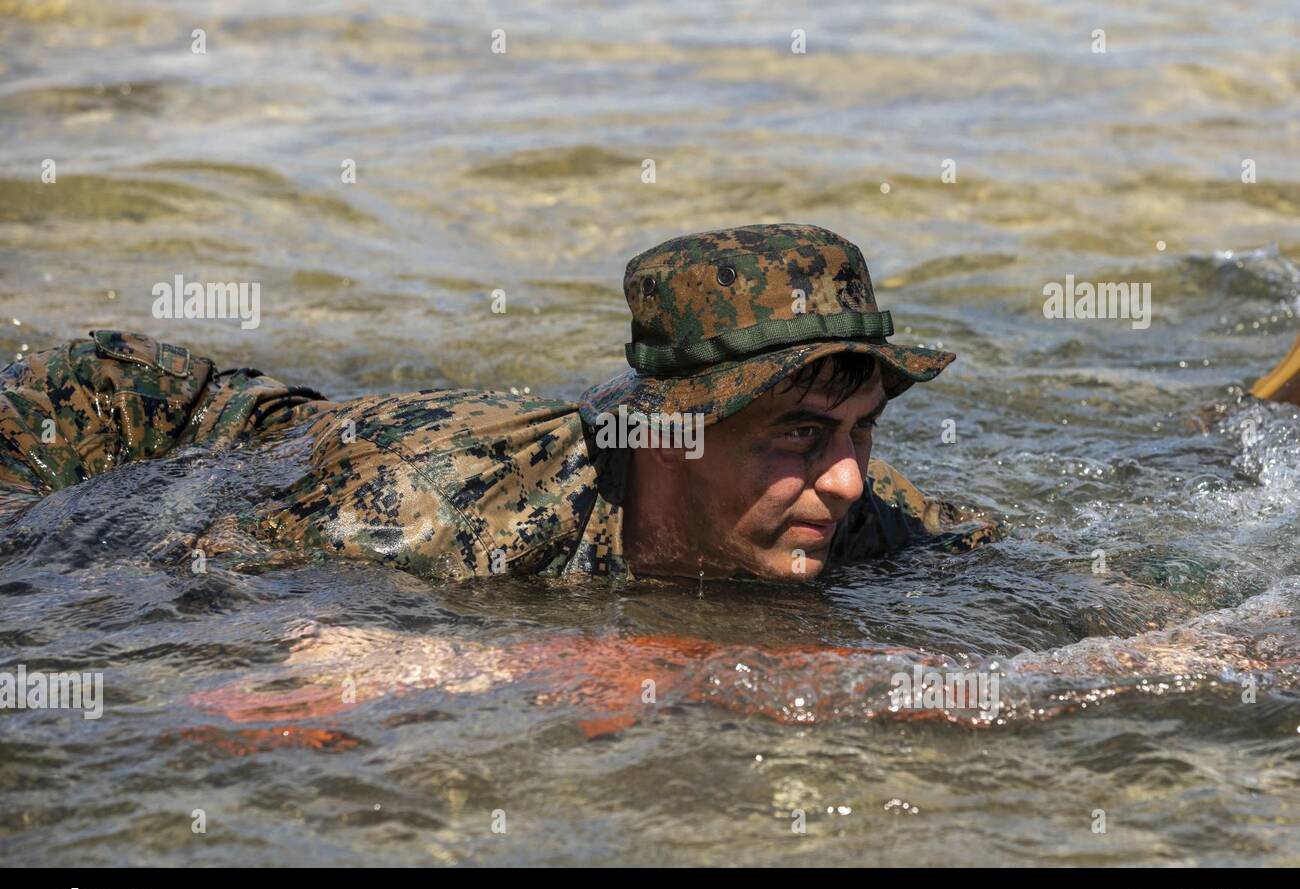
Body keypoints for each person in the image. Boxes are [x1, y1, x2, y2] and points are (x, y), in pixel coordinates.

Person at [0, 224, 997, 582]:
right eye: (798, 434)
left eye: (861, 429)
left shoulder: (861, 507)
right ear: (665, 437)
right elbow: (187, 566)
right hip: (115, 420)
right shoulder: (430, 511)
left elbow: (988, 557)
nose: (847, 477)